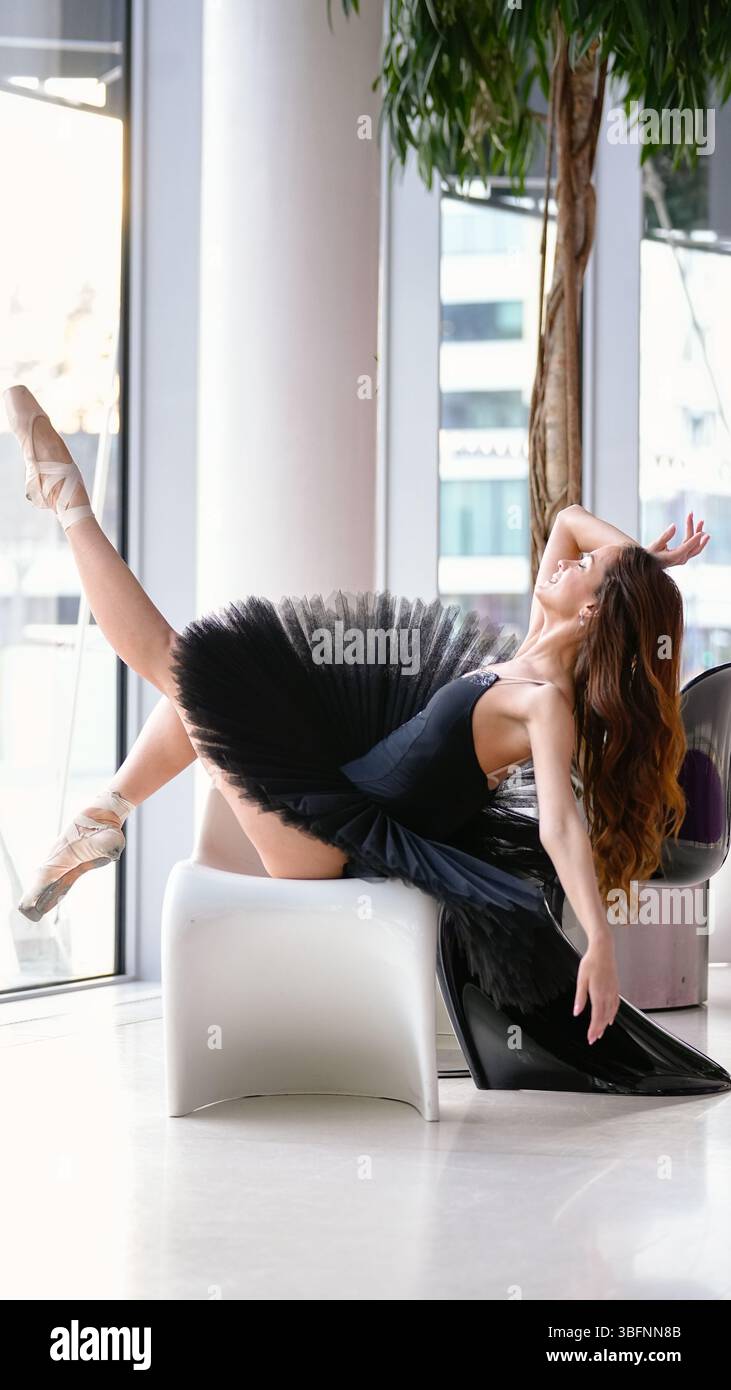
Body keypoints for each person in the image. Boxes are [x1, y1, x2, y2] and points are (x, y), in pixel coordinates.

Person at [4, 384, 729, 1097]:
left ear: (594, 608)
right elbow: (569, 517)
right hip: (343, 786)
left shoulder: (544, 703)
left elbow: (560, 825)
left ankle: (68, 505)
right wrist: (643, 565)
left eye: (585, 571)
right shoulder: (540, 642)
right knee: (231, 673)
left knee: (185, 664)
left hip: (327, 844)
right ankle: (103, 817)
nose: (566, 558)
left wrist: (598, 942)